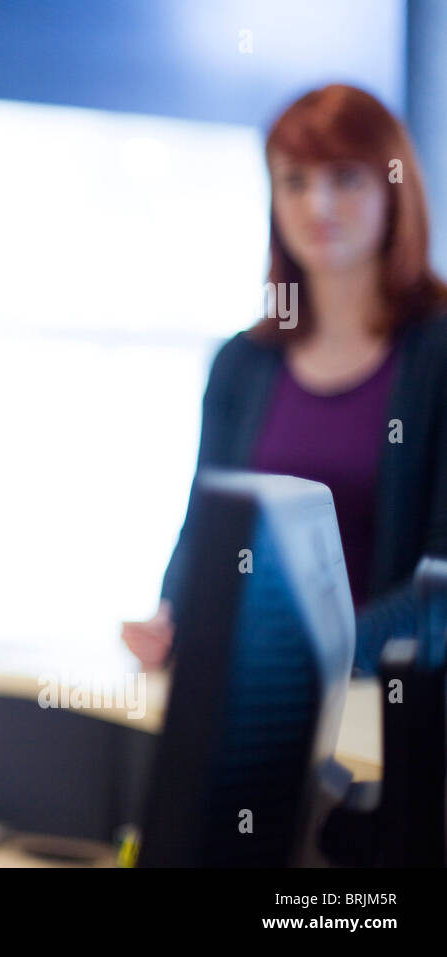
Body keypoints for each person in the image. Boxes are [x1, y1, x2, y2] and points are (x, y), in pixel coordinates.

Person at [122, 84, 447, 677]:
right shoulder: (243, 363)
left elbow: (441, 588)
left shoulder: (436, 355)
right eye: (295, 181)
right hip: (254, 697)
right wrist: (173, 619)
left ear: (393, 189)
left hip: (383, 707)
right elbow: (203, 532)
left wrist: (315, 661)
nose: (318, 205)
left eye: (346, 178)